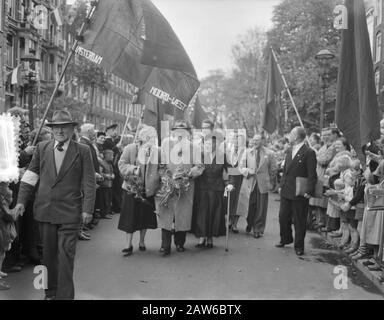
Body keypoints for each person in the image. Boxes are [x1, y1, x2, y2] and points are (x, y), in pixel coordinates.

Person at [14, 110, 96, 300]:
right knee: (46, 258)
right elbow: (30, 177)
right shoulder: (42, 148)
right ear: (51, 130)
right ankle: (48, 293)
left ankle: (65, 297)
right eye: (56, 127)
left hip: (70, 213)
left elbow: (89, 181)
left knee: (66, 258)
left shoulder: (82, 150)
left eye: (64, 127)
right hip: (45, 211)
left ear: (71, 129)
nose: (60, 131)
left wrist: (87, 209)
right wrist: (20, 201)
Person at [156, 120, 204, 256]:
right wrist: (165, 177)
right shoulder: (166, 143)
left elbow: (199, 166)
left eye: (183, 131)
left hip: (186, 185)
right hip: (168, 184)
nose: (180, 133)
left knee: (183, 215)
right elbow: (161, 164)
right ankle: (165, 245)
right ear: (173, 132)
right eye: (177, 131)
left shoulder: (194, 147)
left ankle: (180, 243)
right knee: (166, 213)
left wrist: (189, 175)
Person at [118, 125, 159, 256]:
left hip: (148, 189)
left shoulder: (156, 151)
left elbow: (161, 167)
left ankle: (142, 241)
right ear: (143, 138)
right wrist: (133, 169)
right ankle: (128, 244)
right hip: (131, 189)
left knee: (145, 217)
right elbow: (121, 164)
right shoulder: (130, 148)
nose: (152, 140)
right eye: (150, 137)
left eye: (153, 137)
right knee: (130, 217)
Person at [276, 126, 317, 256]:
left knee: (299, 220)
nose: (289, 135)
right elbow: (286, 171)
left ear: (298, 136)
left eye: (292, 133)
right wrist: (281, 185)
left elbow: (312, 175)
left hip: (300, 191)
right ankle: (285, 238)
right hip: (286, 189)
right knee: (283, 216)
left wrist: (309, 191)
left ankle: (299, 246)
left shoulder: (309, 152)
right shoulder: (289, 150)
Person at [192, 132, 233, 248]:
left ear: (216, 144)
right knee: (202, 213)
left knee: (213, 213)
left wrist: (229, 184)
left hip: (216, 188)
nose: (209, 145)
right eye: (207, 143)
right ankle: (201, 237)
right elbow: (194, 169)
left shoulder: (222, 156)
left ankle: (210, 238)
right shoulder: (200, 155)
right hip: (202, 187)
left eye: (212, 143)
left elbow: (229, 171)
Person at [237, 133, 277, 238]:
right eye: (254, 140)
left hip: (263, 184)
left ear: (263, 141)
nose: (255, 142)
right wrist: (248, 171)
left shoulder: (270, 153)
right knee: (249, 205)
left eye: (257, 140)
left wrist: (272, 183)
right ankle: (250, 223)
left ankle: (257, 229)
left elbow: (273, 169)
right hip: (250, 182)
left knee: (261, 207)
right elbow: (240, 167)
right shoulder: (247, 152)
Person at [79, 123, 103, 235]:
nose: (95, 133)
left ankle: (82, 228)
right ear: (89, 132)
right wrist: (94, 174)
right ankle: (82, 227)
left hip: (91, 176)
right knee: (85, 201)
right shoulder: (84, 144)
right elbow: (85, 163)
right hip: (87, 178)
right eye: (93, 131)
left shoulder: (88, 143)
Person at [224, 130, 246, 233]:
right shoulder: (226, 150)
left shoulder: (245, 151)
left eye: (238, 140)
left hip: (241, 178)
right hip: (229, 176)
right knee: (229, 198)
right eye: (235, 139)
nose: (236, 142)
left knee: (239, 200)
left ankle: (235, 223)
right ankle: (228, 220)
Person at [99, 149, 115, 219]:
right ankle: (104, 213)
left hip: (109, 184)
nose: (113, 157)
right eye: (112, 155)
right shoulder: (102, 163)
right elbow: (100, 173)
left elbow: (111, 172)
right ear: (107, 155)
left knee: (109, 199)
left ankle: (108, 212)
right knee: (105, 200)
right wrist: (107, 176)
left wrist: (113, 175)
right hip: (104, 185)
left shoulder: (109, 164)